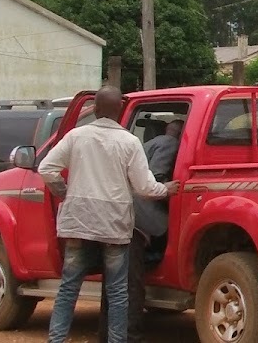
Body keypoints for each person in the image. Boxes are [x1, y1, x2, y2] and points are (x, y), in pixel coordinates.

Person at [38, 85, 177, 343]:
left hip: (78, 221)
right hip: (114, 226)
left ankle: (55, 339)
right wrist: (166, 190)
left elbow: (46, 168)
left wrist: (64, 192)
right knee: (117, 293)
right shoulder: (130, 142)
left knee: (69, 288)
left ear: (97, 109)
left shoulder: (76, 136)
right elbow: (145, 187)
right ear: (120, 110)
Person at [97, 118, 185, 343]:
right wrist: (168, 190)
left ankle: (107, 334)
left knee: (113, 283)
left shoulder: (145, 144)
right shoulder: (169, 143)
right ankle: (130, 336)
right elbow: (155, 179)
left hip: (115, 218)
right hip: (138, 222)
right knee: (130, 283)